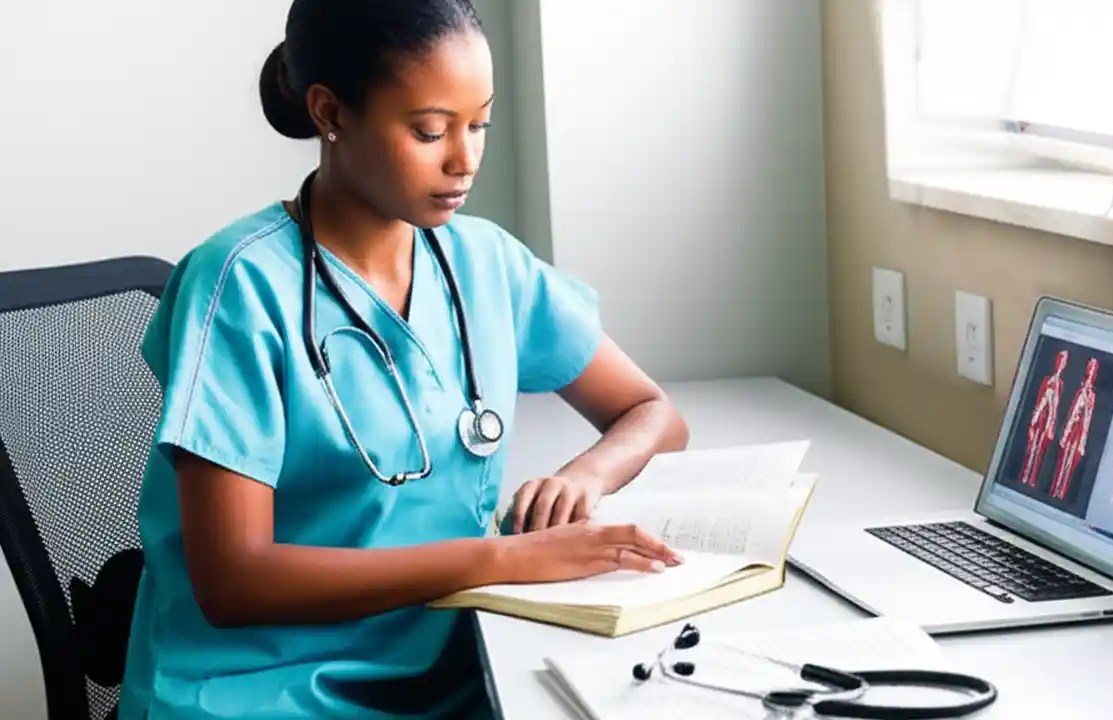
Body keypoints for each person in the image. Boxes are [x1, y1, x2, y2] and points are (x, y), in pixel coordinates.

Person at [119, 1, 689, 717]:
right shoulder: (238, 285)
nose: (465, 159)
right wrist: (502, 560)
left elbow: (651, 413)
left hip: (445, 666)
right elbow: (234, 581)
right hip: (257, 690)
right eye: (429, 131)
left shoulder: (486, 264)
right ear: (330, 112)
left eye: (478, 123)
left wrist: (585, 478)